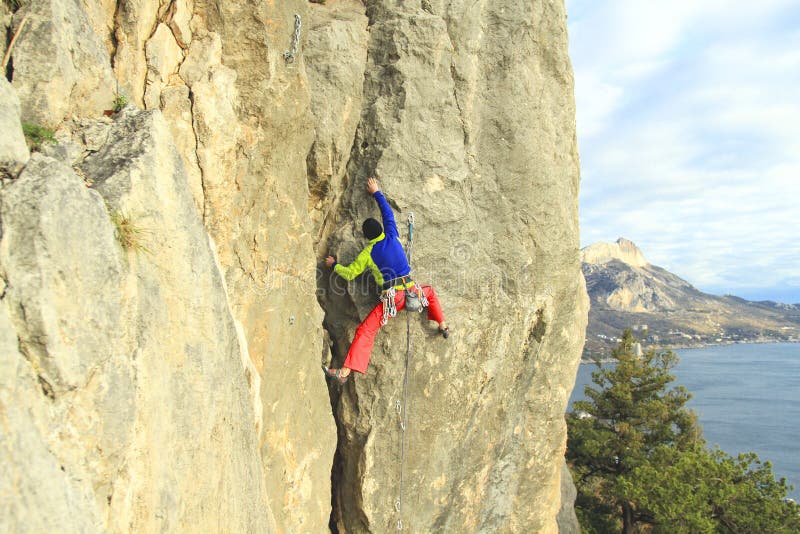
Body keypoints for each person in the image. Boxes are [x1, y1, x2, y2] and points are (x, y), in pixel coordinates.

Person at [323, 177, 448, 384]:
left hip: (393, 300)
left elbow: (350, 273)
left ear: (366, 236)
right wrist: (377, 192)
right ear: (381, 229)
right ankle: (443, 325)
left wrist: (334, 265)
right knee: (431, 292)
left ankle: (344, 372)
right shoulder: (391, 234)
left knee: (366, 329)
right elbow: (388, 213)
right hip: (413, 291)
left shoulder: (368, 253)